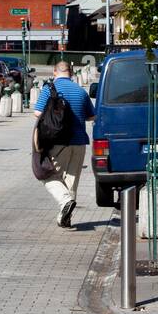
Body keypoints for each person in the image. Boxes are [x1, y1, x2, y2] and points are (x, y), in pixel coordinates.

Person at [32, 60, 96, 229]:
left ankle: (65, 200)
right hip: (79, 141)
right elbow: (91, 116)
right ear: (72, 73)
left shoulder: (49, 89)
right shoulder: (81, 91)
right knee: (71, 180)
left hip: (56, 141)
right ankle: (65, 218)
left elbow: (37, 112)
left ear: (54, 72)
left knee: (47, 174)